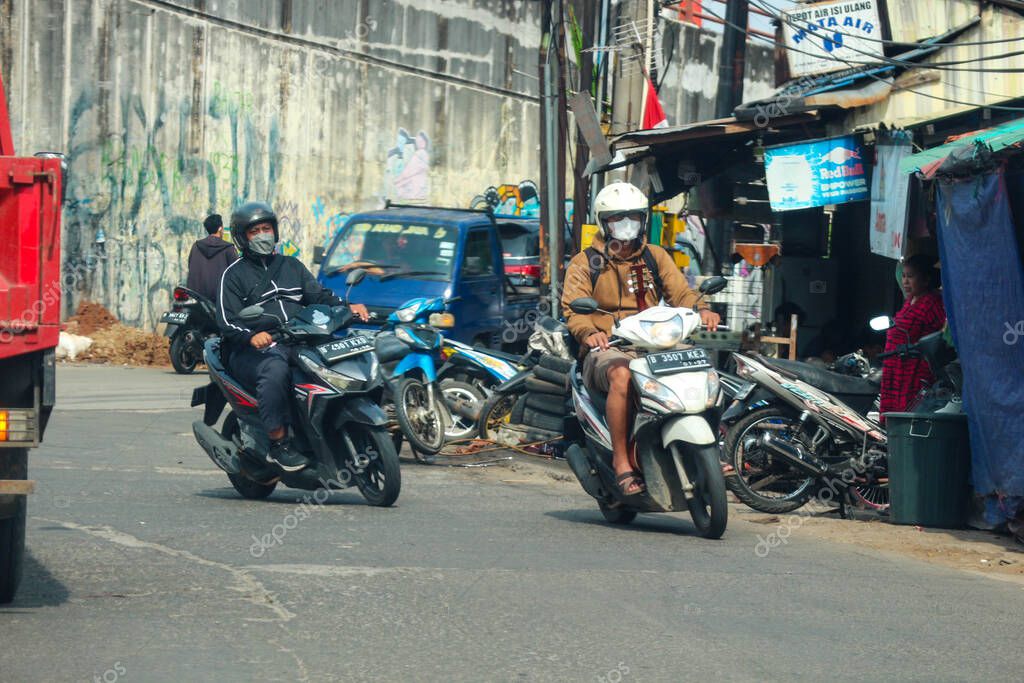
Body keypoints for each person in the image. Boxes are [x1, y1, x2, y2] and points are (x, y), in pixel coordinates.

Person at [562, 182, 720, 496]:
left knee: (704, 368)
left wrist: (702, 309)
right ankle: (622, 460)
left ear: (643, 219)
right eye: (617, 218)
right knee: (621, 375)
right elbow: (573, 309)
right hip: (610, 345)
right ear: (603, 222)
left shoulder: (655, 256)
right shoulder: (585, 263)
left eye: (633, 217)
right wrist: (590, 333)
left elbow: (681, 293)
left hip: (655, 341)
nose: (626, 224)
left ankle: (714, 449)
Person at [218, 202, 369, 472]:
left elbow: (319, 295)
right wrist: (252, 336)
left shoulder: (291, 266)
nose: (263, 235)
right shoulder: (233, 275)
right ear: (242, 237)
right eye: (255, 231)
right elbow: (227, 321)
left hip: (298, 339)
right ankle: (278, 444)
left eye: (267, 229)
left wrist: (349, 307)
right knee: (275, 369)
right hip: (254, 349)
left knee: (336, 359)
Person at [879, 253, 946, 416]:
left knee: (909, 415)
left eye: (911, 276)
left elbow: (943, 335)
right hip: (895, 368)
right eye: (903, 276)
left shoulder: (932, 303)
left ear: (925, 279)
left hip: (915, 372)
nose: (905, 281)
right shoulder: (909, 301)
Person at [186, 214, 237, 301]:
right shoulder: (228, 248)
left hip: (196, 300)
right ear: (220, 229)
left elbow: (190, 266)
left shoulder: (196, 246)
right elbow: (236, 274)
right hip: (220, 300)